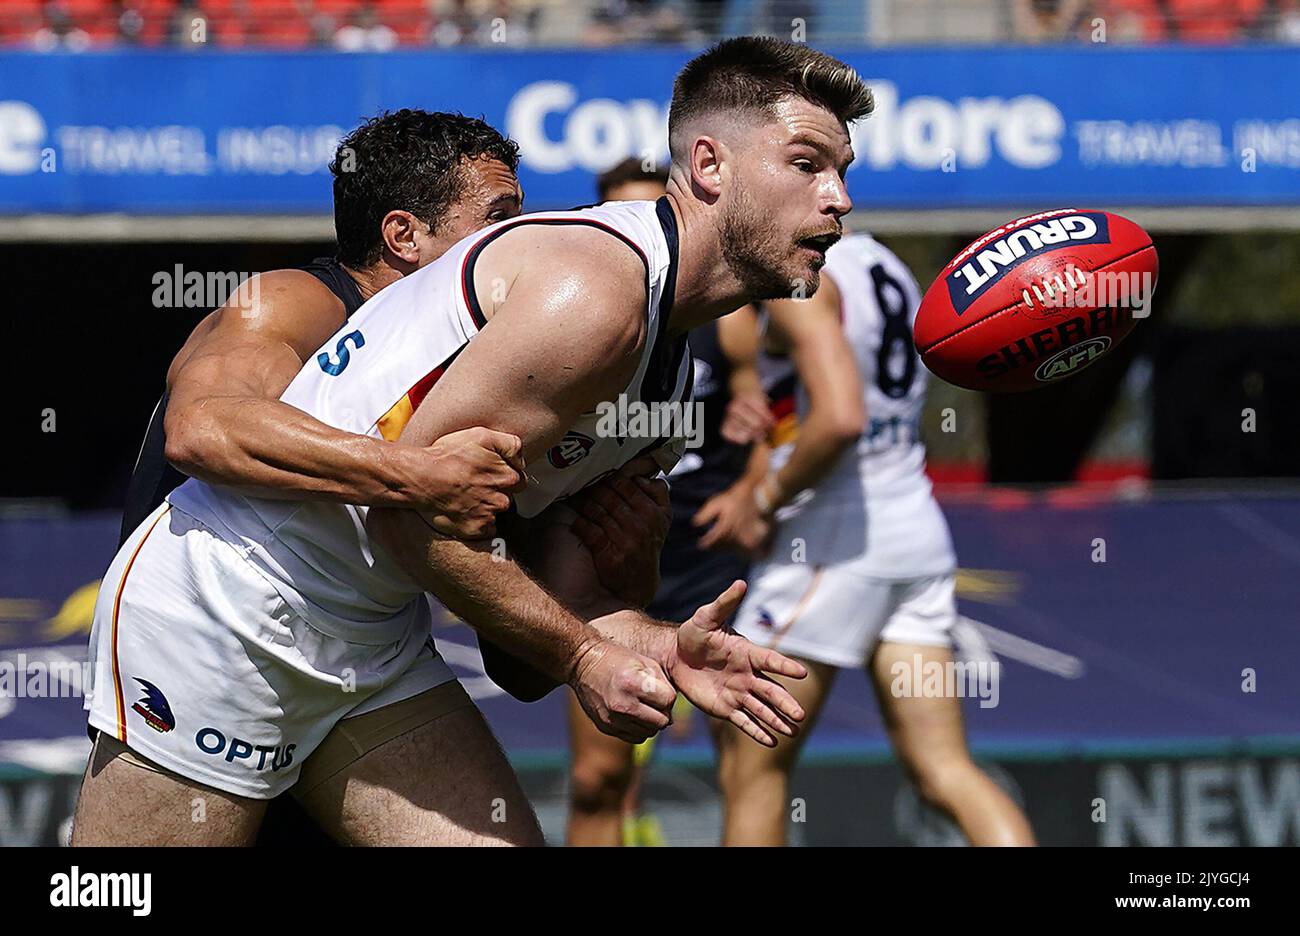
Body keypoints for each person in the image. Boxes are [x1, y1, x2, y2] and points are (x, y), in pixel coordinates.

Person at [74, 35, 871, 845]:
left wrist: (651, 637)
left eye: (845, 171)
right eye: (808, 164)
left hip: (374, 637)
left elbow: (519, 653)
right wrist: (584, 656)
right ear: (708, 164)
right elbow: (407, 514)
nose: (839, 199)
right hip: (225, 607)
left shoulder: (665, 381)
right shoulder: (593, 295)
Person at [706, 233, 1037, 846]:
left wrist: (762, 500)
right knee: (945, 771)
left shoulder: (803, 278)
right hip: (915, 535)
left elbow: (839, 417)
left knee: (751, 769)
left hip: (834, 547)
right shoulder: (889, 265)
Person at [563, 157, 770, 846]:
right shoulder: (568, 317)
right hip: (606, 559)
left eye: (651, 213)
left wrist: (750, 490)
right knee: (600, 778)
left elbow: (759, 416)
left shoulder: (725, 316)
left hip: (705, 555)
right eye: (618, 215)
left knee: (747, 761)